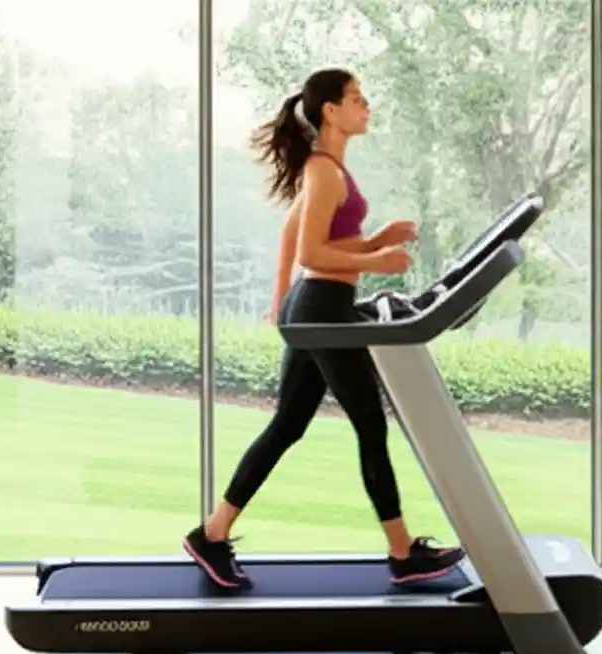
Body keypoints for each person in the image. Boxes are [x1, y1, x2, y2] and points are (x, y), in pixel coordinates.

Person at [183, 67, 467, 590]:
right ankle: (403, 554)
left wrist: (281, 304)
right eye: (357, 99)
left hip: (314, 305)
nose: (367, 106)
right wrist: (379, 257)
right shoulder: (324, 171)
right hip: (324, 307)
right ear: (331, 112)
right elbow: (314, 253)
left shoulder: (329, 168)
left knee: (288, 426)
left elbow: (292, 235)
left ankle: (213, 534)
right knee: (370, 426)